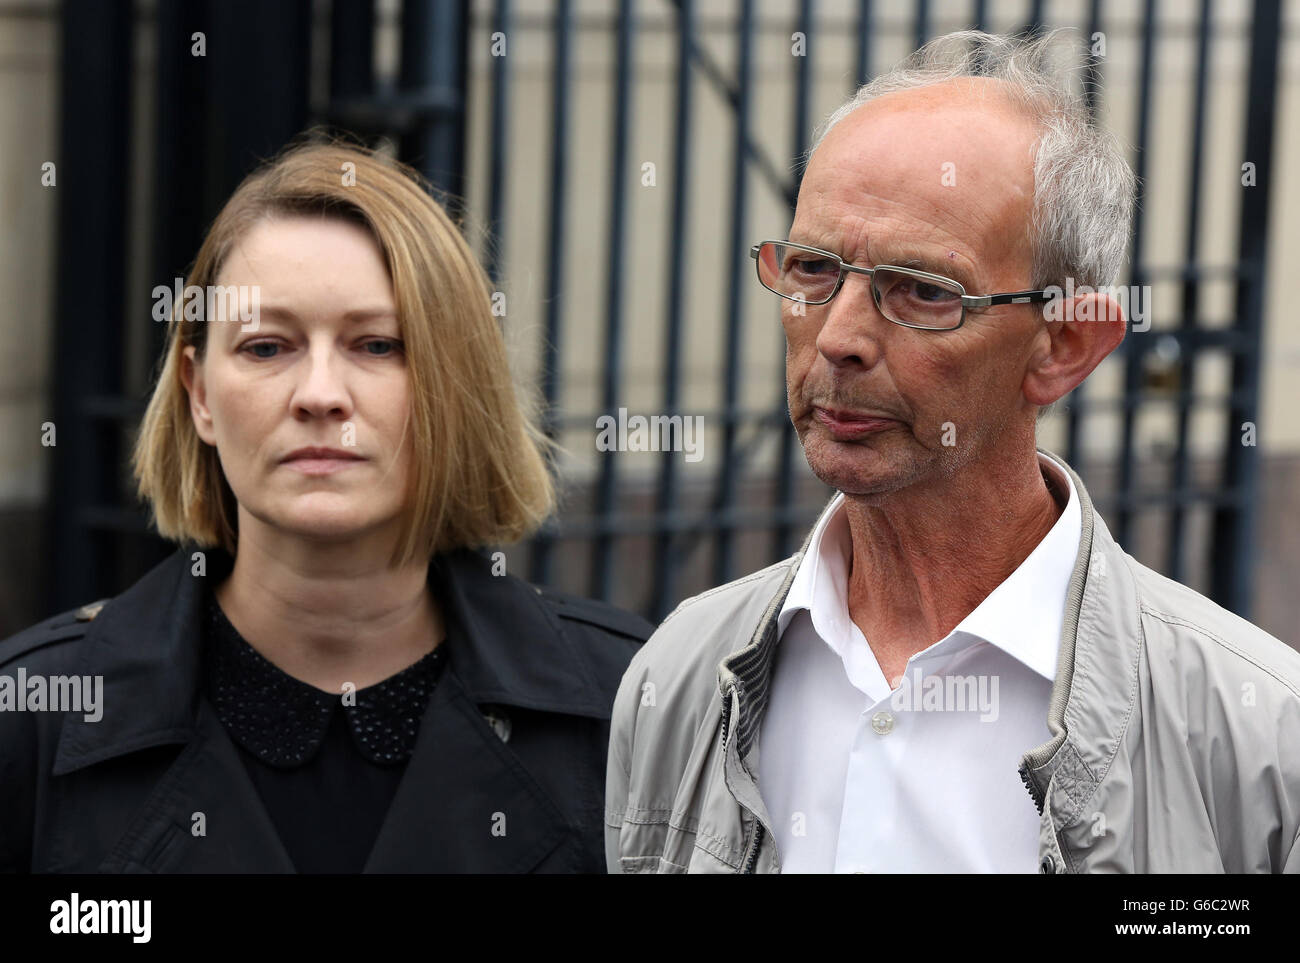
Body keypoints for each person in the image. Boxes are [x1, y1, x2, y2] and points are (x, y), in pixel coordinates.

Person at [604, 30, 1300, 874]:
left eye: (925, 290)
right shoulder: (680, 672)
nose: (840, 338)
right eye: (815, 269)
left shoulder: (1257, 735)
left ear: (1066, 344)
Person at [1, 136, 651, 873]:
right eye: (266, 347)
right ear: (200, 392)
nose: (318, 394)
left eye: (377, 345)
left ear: (454, 384)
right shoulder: (33, 716)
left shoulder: (635, 704)